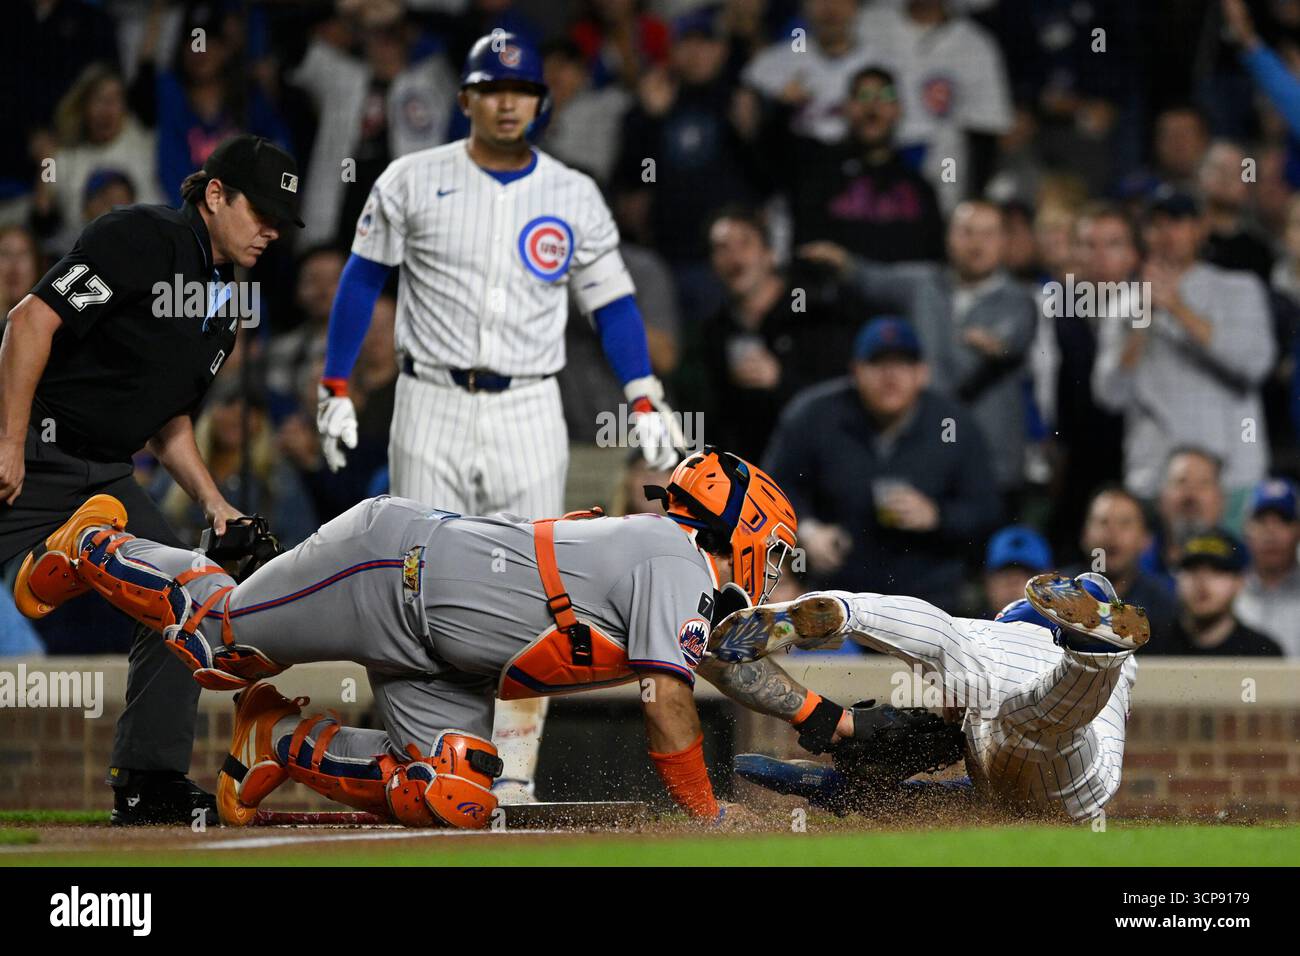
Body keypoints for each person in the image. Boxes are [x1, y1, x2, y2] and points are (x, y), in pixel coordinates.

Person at [15, 448, 802, 830]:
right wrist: (708, 814)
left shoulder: (678, 578)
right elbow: (667, 701)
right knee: (219, 648)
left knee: (450, 797)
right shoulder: (676, 555)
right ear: (739, 528)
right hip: (389, 569)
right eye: (766, 546)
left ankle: (277, 741)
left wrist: (827, 725)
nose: (768, 566)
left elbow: (711, 671)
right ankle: (94, 546)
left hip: (441, 662)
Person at [313, 33, 685, 804]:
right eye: (492, 87)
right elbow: (361, 280)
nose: (507, 101)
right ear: (466, 100)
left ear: (541, 103)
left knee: (536, 598)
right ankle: (430, 760)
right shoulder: (412, 177)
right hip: (429, 399)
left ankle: (509, 772)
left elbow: (611, 301)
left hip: (527, 405)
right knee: (409, 588)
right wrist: (336, 382)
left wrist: (643, 391)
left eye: (521, 89)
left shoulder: (573, 192)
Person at [0, 133, 303, 824]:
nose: (270, 231)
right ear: (216, 194)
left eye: (279, 223)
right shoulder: (139, 236)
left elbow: (166, 420)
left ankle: (148, 782)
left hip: (103, 475)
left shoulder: (228, 299)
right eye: (259, 211)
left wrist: (216, 503)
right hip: (31, 440)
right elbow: (29, 322)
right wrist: (10, 442)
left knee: (186, 598)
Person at [715, 570, 1148, 822]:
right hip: (1070, 764)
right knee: (1045, 723)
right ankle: (1092, 655)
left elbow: (964, 796)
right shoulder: (1125, 669)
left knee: (942, 640)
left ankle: (848, 610)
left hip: (989, 656)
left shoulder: (994, 629)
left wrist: (835, 787)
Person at [762, 317, 1000, 611]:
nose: (890, 377)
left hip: (928, 602)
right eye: (877, 364)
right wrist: (807, 531)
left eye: (902, 364)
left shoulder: (953, 424)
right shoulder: (815, 415)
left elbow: (987, 509)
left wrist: (937, 516)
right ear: (855, 371)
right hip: (837, 599)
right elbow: (771, 488)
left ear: (922, 373)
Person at [801, 200, 1039, 492]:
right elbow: (872, 279)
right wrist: (841, 261)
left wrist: (995, 346)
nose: (976, 243)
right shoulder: (923, 283)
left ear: (1004, 241)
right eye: (966, 232)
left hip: (992, 460)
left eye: (988, 234)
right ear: (948, 236)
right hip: (930, 453)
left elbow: (1011, 344)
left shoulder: (1018, 300)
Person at [1093, 189, 1275, 509]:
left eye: (1177, 222)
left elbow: (1254, 366)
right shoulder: (1123, 304)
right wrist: (1140, 324)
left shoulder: (1240, 289)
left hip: (1232, 475)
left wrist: (1178, 309)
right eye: (1156, 224)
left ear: (1199, 229)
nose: (1166, 234)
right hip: (1154, 477)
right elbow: (1110, 395)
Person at [696, 206, 861, 460]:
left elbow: (844, 403)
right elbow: (712, 418)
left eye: (745, 244)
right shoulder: (715, 332)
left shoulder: (813, 312)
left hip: (818, 462)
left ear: (770, 254)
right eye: (721, 248)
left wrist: (780, 382)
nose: (734, 257)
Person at [746, 65, 945, 263]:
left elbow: (935, 258)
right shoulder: (813, 166)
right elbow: (766, 154)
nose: (872, 107)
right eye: (863, 96)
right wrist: (782, 109)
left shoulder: (919, 187)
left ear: (898, 110)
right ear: (846, 108)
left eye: (884, 96)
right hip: (823, 290)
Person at [1149, 528, 1284, 656]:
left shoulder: (1262, 653)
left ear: (1239, 582)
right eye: (1192, 569)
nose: (1202, 582)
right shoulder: (1148, 646)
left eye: (1217, 571)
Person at [1074, 485, 1177, 646]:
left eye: (1124, 523)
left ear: (1145, 539)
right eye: (1103, 522)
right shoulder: (1060, 593)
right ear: (1085, 535)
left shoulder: (1165, 605)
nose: (1113, 533)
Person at [1140, 447, 1228, 589]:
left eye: (1203, 483)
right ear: (1160, 499)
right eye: (1181, 482)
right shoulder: (1133, 567)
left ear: (1221, 501)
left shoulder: (1244, 568)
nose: (1191, 495)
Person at [1235, 478, 1300, 657]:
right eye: (1261, 521)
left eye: (1283, 521)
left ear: (1298, 530)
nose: (1271, 532)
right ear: (1245, 529)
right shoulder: (1230, 591)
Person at [983, 525, 1051, 615]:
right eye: (1005, 574)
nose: (1012, 583)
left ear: (1050, 584)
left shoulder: (1070, 628)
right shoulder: (966, 627)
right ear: (988, 583)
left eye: (1027, 574)